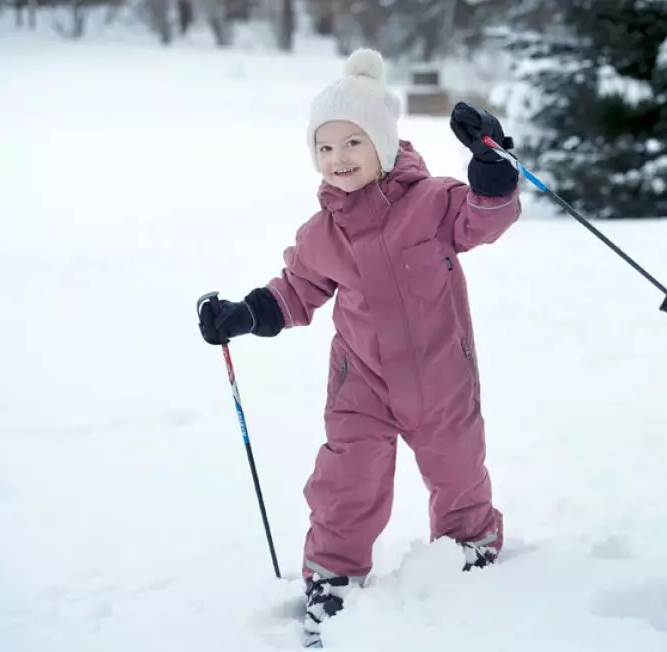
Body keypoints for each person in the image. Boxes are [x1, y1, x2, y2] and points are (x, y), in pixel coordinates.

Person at [196, 47, 521, 646]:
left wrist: (493, 171)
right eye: (325, 147)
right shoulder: (322, 232)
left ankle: (468, 546)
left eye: (352, 143)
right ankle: (333, 574)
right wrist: (245, 314)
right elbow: (296, 289)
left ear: (384, 143)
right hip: (361, 379)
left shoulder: (433, 202)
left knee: (456, 467)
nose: (338, 159)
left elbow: (484, 218)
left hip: (441, 370)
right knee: (347, 477)